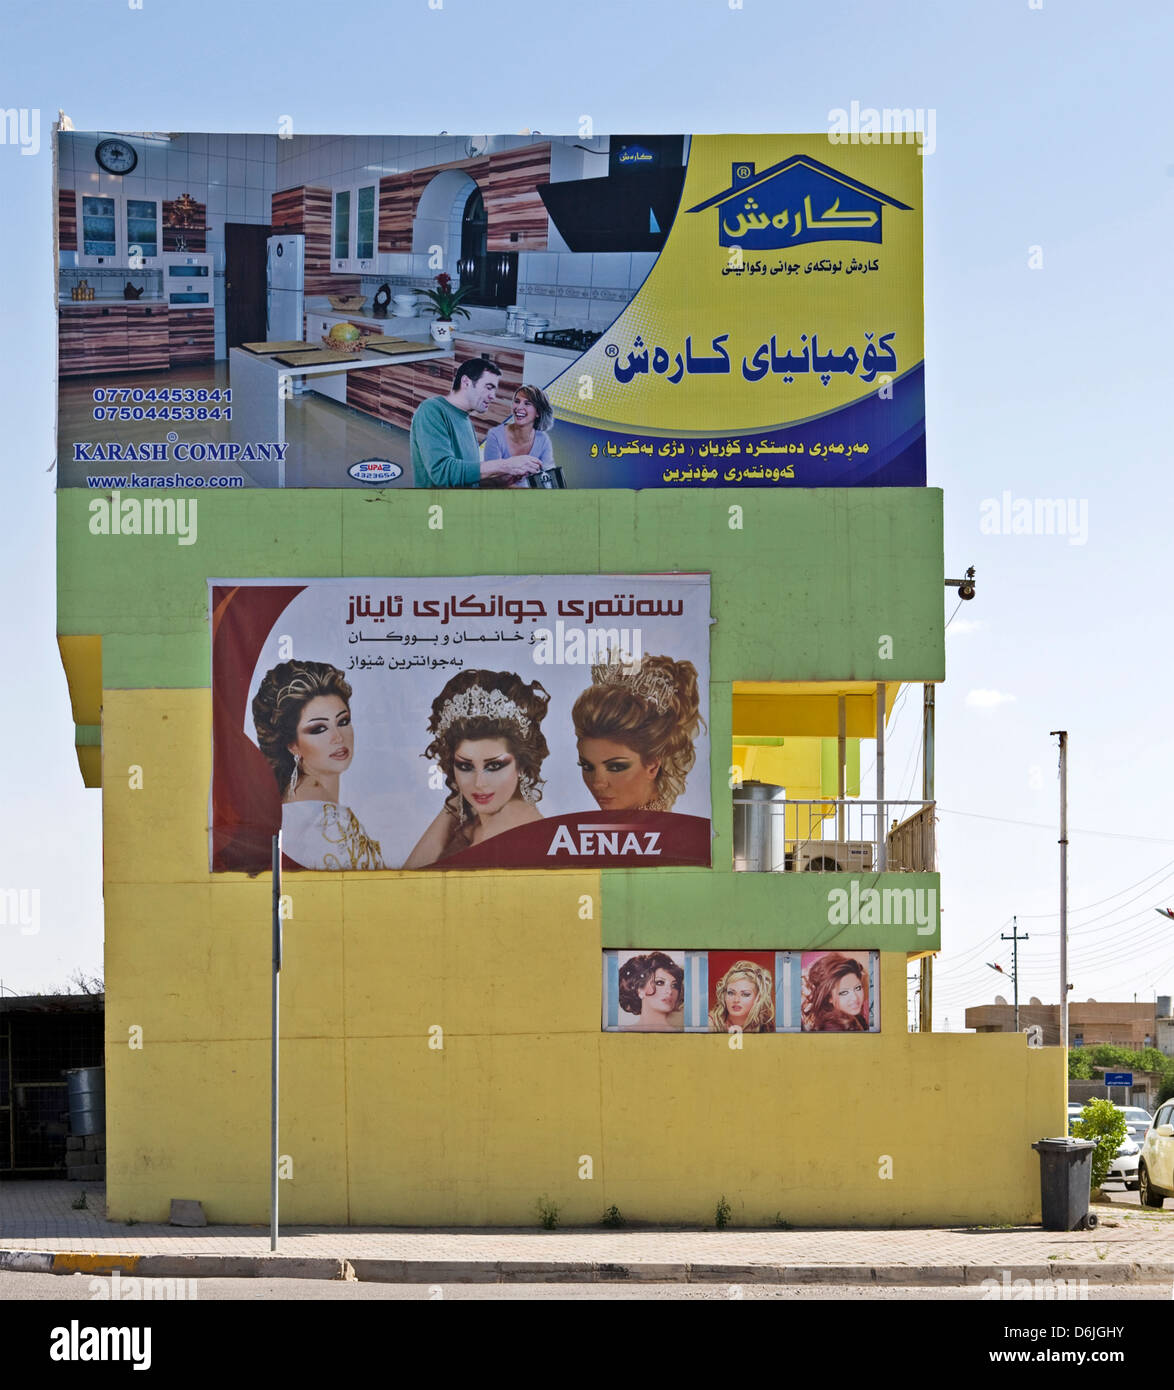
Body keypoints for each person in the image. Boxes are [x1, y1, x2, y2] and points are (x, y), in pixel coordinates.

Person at [403, 669, 551, 867]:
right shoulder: (475, 822)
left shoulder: (514, 830)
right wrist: (456, 801)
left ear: (521, 763)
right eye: (465, 766)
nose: (479, 783)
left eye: (494, 765)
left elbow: (405, 889)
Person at [252, 660, 385, 870]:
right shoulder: (328, 820)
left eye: (343, 721)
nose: (338, 737)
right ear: (292, 744)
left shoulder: (293, 802)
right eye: (318, 729)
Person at [572, 652, 703, 812]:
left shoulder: (668, 831)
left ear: (653, 766)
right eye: (586, 766)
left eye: (615, 767)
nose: (598, 783)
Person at [410, 359, 543, 488]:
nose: (493, 396)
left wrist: (502, 478)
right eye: (489, 387)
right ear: (466, 382)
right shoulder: (431, 410)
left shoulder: (465, 420)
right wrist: (506, 465)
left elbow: (467, 478)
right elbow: (442, 472)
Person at [482, 385, 555, 487]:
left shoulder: (543, 440)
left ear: (538, 412)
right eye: (517, 401)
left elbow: (549, 479)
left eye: (527, 403)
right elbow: (491, 479)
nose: (519, 407)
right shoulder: (495, 435)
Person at [801, 953, 871, 1032]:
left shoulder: (854, 1017)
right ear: (829, 997)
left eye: (857, 988)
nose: (855, 997)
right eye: (844, 992)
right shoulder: (832, 1028)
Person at [617, 951, 684, 1032]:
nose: (670, 991)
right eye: (660, 983)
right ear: (640, 991)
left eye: (674, 985)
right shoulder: (621, 1033)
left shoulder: (684, 1035)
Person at [708, 959, 775, 1033]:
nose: (736, 1000)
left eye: (745, 994)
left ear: (758, 998)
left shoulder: (766, 1026)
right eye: (731, 993)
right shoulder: (710, 1024)